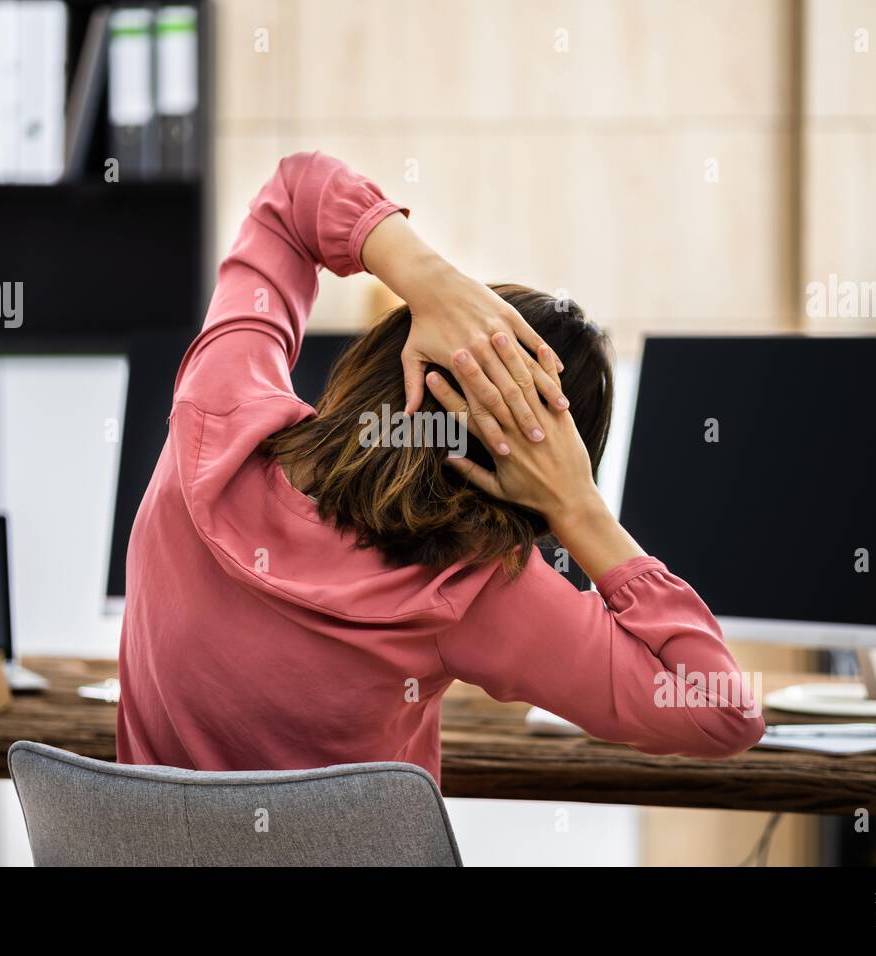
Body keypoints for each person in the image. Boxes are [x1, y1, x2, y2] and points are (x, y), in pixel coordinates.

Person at [117, 151, 764, 779]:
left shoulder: (217, 412)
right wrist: (576, 504)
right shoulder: (476, 595)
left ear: (393, 350)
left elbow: (293, 197)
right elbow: (722, 711)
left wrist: (434, 285)